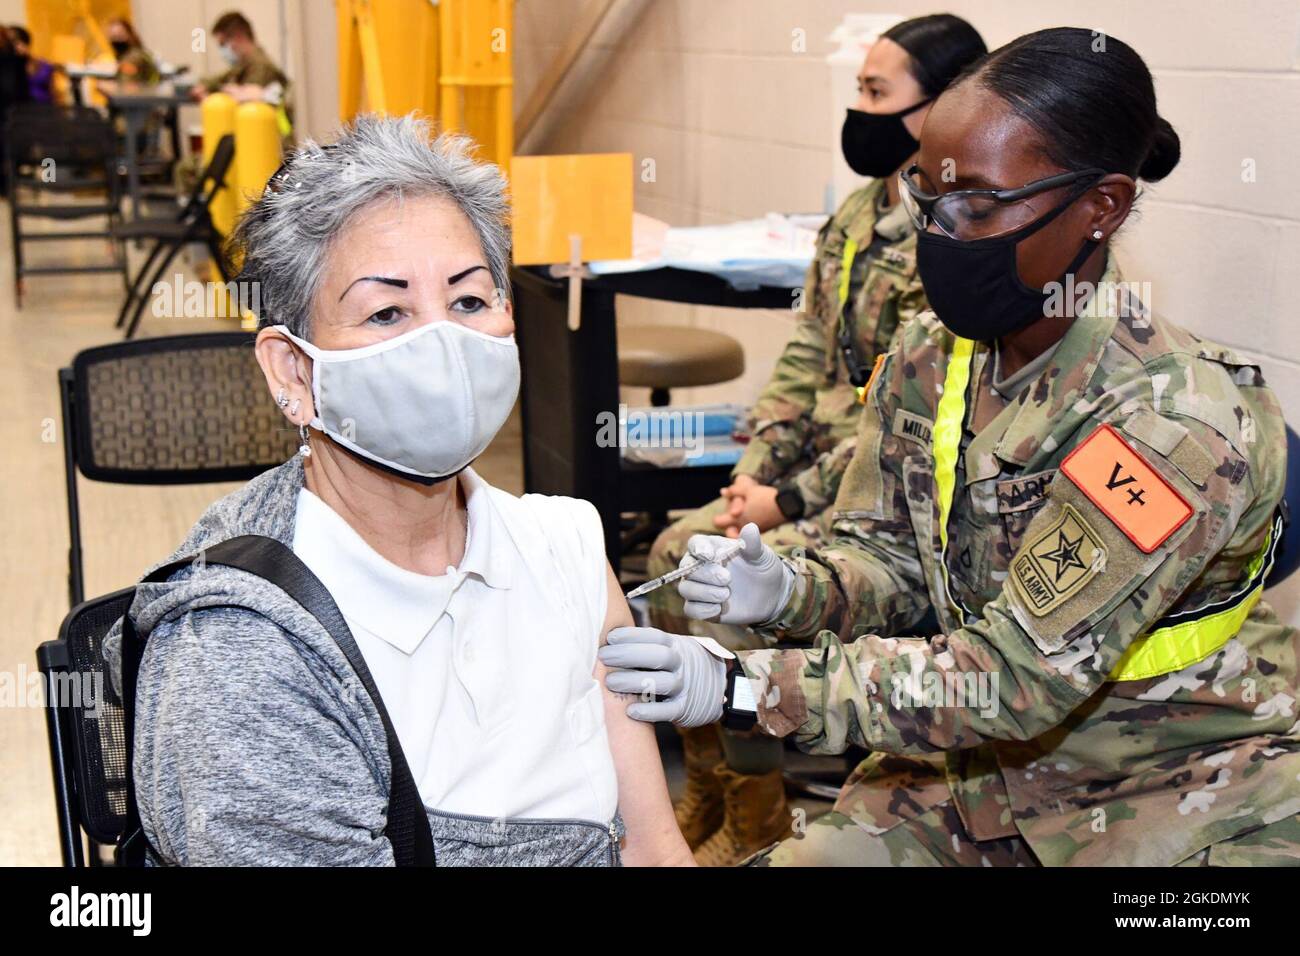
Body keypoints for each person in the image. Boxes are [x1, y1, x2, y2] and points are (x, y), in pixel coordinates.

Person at [601, 27, 1300, 867]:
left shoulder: (1171, 424)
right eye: (925, 198)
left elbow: (1013, 676)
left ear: (1102, 205)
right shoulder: (936, 354)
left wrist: (744, 687)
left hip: (1173, 800)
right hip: (978, 772)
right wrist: (787, 588)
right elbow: (888, 557)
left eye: (977, 204)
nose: (939, 232)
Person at [103, 114, 692, 867]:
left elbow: (653, 849)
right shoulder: (247, 645)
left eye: (471, 301)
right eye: (387, 312)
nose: (441, 344)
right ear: (293, 372)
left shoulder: (564, 546)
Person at [645, 13, 985, 867]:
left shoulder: (958, 237)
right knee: (675, 555)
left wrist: (784, 500)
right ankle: (725, 793)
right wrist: (751, 475)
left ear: (938, 109)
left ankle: (760, 819)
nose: (859, 110)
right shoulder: (862, 216)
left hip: (875, 487)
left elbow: (906, 410)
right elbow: (806, 355)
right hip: (800, 471)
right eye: (859, 89)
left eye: (877, 92)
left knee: (720, 592)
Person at [191, 11, 291, 135]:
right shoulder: (243, 65)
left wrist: (210, 100)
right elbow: (217, 80)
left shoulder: (261, 67)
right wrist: (204, 86)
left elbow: (246, 108)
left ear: (238, 37)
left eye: (223, 44)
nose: (222, 50)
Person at [8, 26, 55, 104]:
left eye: (20, 42)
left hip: (45, 108)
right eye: (12, 43)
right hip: (20, 110)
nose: (17, 46)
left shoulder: (44, 65)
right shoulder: (8, 68)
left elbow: (53, 91)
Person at [105, 17, 159, 85]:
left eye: (119, 35)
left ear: (129, 34)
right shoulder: (124, 55)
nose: (116, 39)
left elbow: (128, 82)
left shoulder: (134, 56)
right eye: (113, 36)